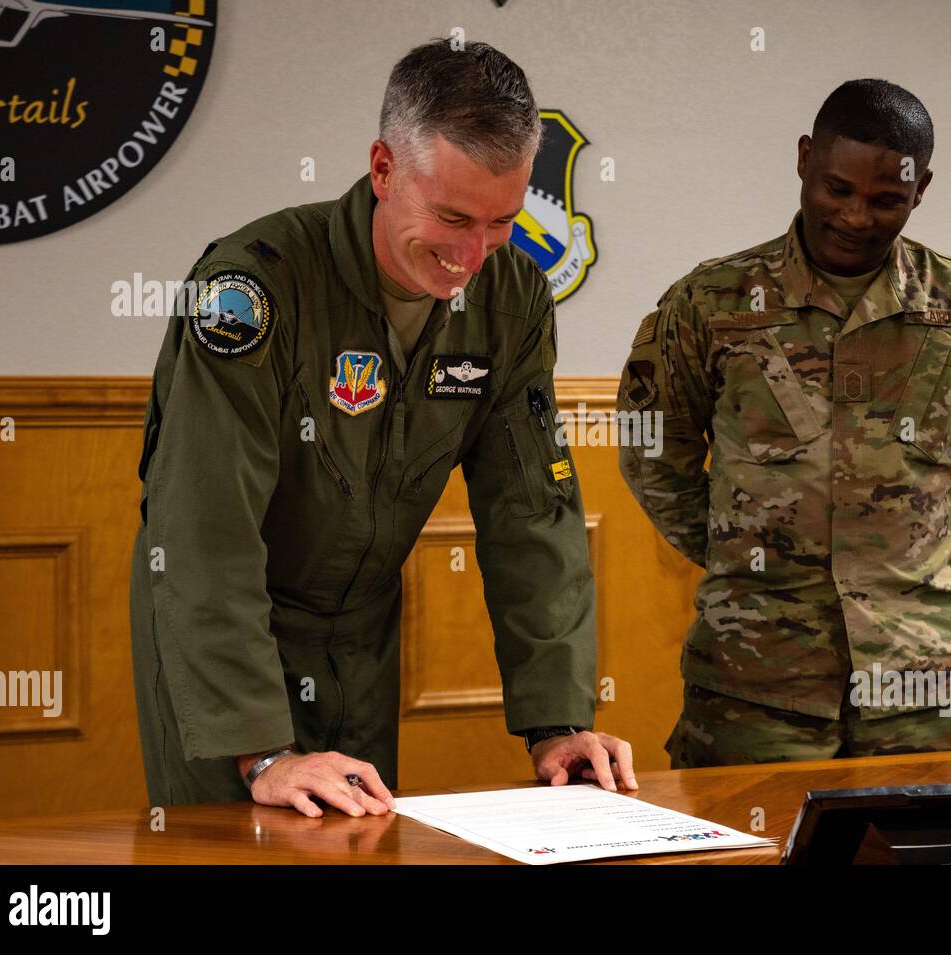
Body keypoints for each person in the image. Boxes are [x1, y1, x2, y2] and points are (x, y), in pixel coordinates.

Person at [131, 38, 636, 817]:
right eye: (451, 217)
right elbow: (204, 528)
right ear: (383, 168)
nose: (470, 257)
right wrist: (262, 751)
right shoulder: (252, 289)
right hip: (221, 630)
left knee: (356, 841)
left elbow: (531, 511)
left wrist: (559, 721)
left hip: (361, 631)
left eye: (501, 221)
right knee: (243, 843)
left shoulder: (511, 299)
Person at [617, 79, 951, 768]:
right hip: (755, 675)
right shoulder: (713, 301)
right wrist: (743, 554)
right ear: (804, 159)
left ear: (921, 188)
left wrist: (915, 553)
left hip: (922, 675)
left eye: (886, 200)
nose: (855, 216)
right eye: (836, 189)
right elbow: (650, 449)